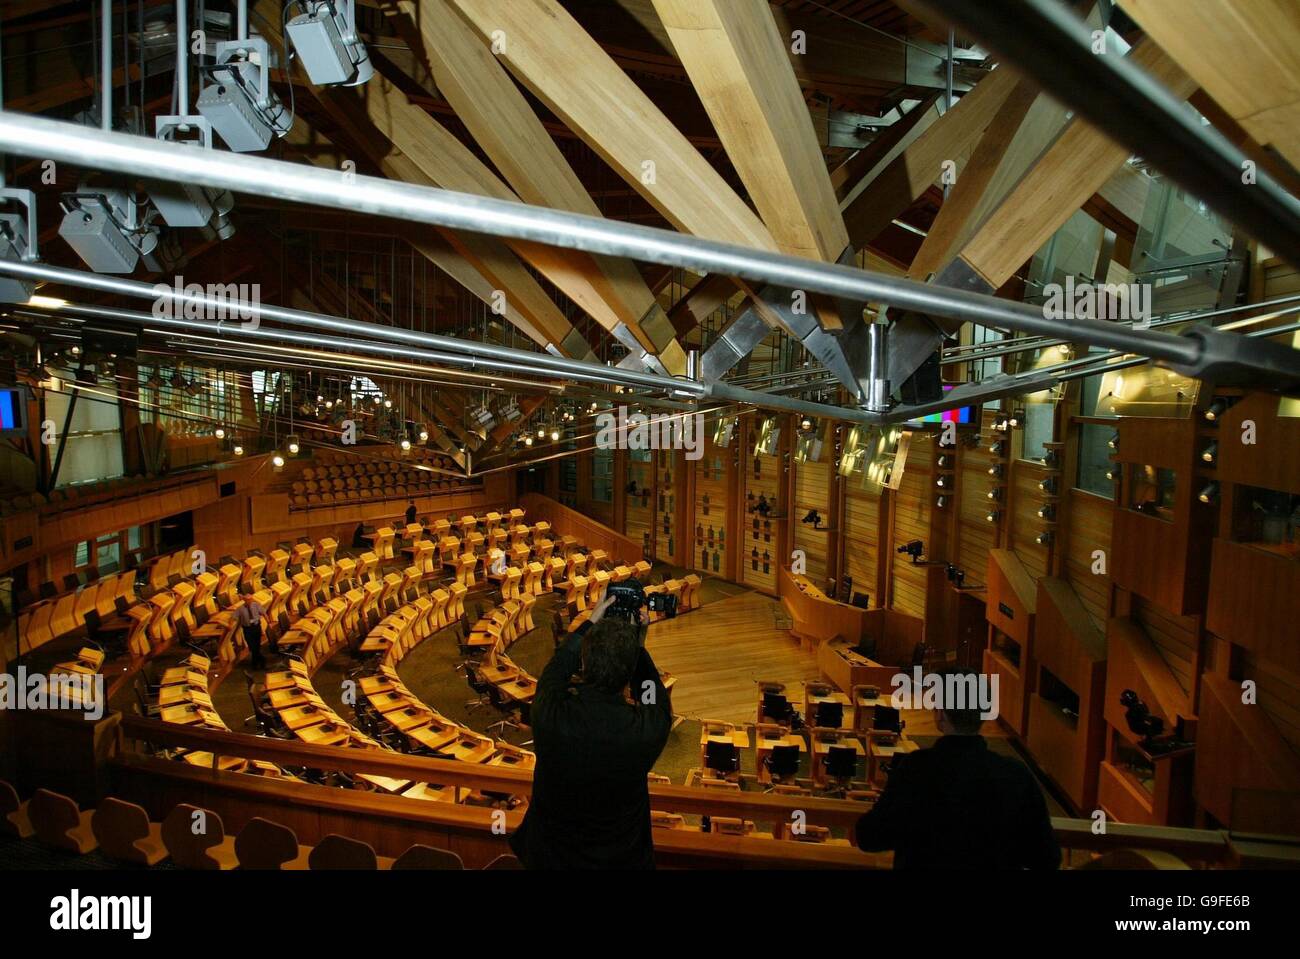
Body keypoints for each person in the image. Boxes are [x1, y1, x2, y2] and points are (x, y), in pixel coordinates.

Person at [510, 596, 672, 869]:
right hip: (620, 862)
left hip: (550, 859)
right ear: (628, 671)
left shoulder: (550, 715)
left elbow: (556, 669)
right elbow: (652, 696)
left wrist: (590, 623)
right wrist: (638, 649)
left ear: (583, 664)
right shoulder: (644, 733)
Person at [854, 676, 1059, 869]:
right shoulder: (1016, 775)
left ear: (940, 714)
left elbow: (870, 836)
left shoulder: (916, 768)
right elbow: (1046, 858)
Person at [235, 596, 268, 670]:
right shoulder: (240, 609)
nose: (249, 601)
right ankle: (262, 660)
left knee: (257, 646)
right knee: (252, 647)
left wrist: (269, 623)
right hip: (247, 629)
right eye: (248, 600)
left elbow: (264, 613)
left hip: (256, 628)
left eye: (250, 600)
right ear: (244, 600)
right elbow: (234, 617)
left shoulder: (256, 605)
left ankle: (255, 664)